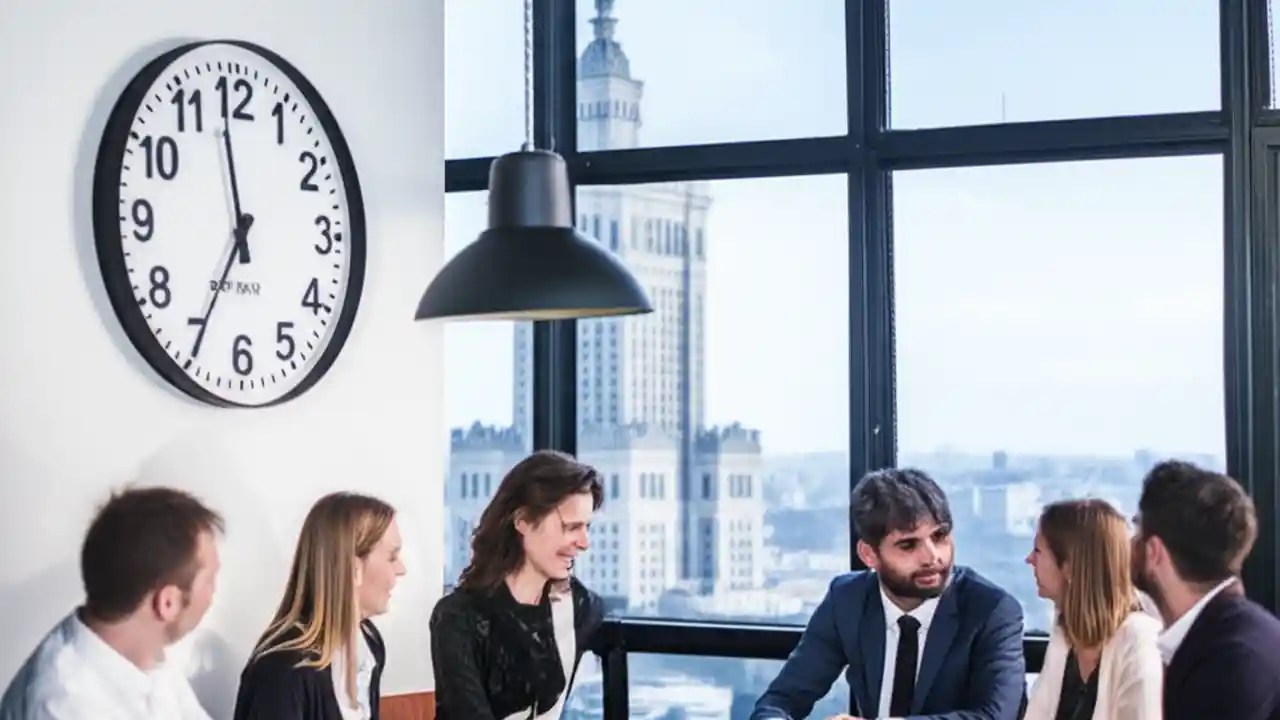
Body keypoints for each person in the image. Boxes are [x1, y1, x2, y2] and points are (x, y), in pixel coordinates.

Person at [751, 468, 1025, 720]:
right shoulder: (847, 599)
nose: (932, 556)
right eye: (908, 545)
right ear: (869, 554)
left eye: (939, 536)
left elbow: (994, 717)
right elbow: (781, 700)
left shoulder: (991, 610)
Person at [0, 486, 223, 720]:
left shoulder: (142, 656)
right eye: (209, 580)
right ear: (167, 603)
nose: (214, 590)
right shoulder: (65, 705)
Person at [430, 449, 605, 719]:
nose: (584, 543)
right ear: (522, 520)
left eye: (587, 527)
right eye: (571, 527)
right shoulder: (458, 618)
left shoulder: (582, 607)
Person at [232, 492, 406, 720]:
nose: (401, 569)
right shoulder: (281, 672)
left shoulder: (370, 643)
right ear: (351, 568)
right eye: (392, 557)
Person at [1130, 460, 1280, 720]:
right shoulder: (1232, 635)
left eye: (1137, 527)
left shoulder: (1230, 662)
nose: (1131, 541)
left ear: (1154, 552)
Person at [1023, 499, 1162, 720]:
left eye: (1038, 551)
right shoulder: (1066, 633)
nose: (1028, 559)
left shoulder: (1140, 644)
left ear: (1070, 566)